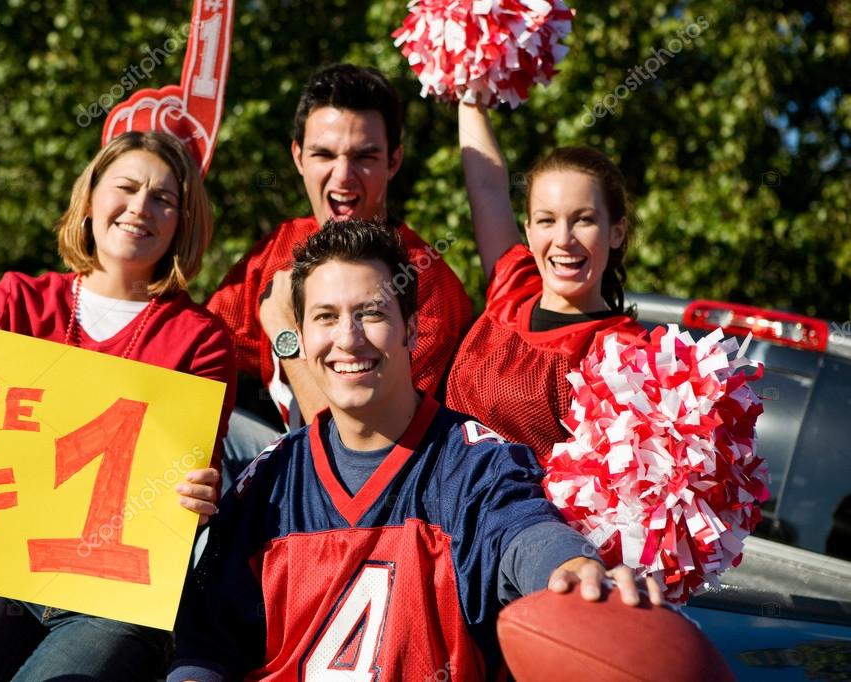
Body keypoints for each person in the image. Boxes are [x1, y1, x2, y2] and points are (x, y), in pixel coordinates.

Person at [168, 220, 661, 681]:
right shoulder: (269, 483)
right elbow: (205, 648)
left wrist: (573, 571)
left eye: (371, 313)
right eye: (326, 317)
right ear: (301, 335)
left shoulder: (472, 464)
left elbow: (522, 531)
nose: (348, 338)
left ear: (411, 328)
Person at [0, 131, 237, 682]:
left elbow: (191, 471)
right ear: (91, 197)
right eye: (125, 187)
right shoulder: (11, 302)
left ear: (182, 223)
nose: (140, 208)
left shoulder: (202, 339)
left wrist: (197, 491)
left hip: (113, 596)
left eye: (163, 199)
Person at [206, 64, 473, 467]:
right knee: (202, 426)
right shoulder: (275, 252)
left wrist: (285, 335)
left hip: (379, 485)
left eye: (365, 156)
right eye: (324, 154)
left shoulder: (426, 284)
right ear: (298, 157)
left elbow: (373, 446)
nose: (344, 176)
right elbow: (199, 352)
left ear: (394, 161)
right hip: (286, 460)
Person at [445, 101, 647, 464]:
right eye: (546, 220)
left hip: (527, 520)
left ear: (616, 232)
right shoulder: (512, 286)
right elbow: (487, 186)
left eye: (583, 220)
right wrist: (470, 85)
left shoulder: (626, 353)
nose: (564, 239)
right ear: (528, 230)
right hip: (437, 509)